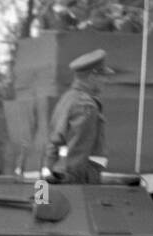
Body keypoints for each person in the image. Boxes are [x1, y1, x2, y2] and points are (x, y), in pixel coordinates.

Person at [42, 49, 112, 184]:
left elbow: (54, 144)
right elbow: (78, 150)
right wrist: (72, 181)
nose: (106, 81)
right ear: (93, 76)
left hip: (55, 174)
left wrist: (44, 188)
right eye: (104, 76)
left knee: (44, 204)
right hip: (80, 178)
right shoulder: (86, 105)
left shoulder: (67, 99)